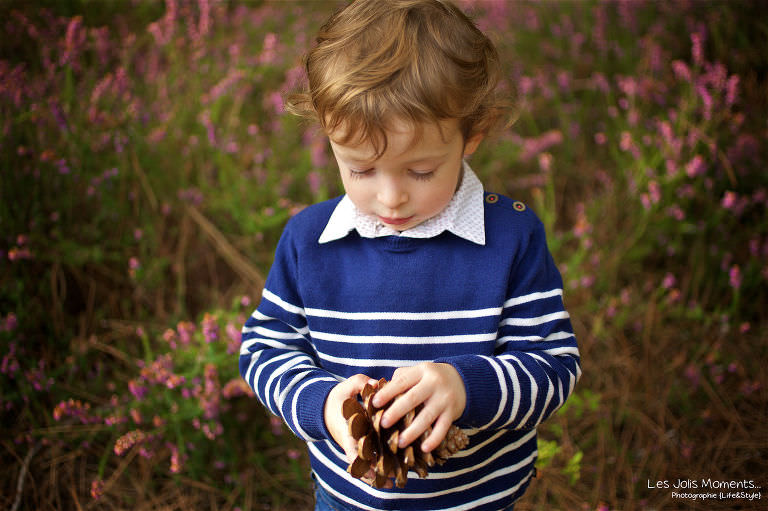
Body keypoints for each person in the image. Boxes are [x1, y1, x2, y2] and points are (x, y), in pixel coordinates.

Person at [239, 1, 581, 509]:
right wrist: (324, 403)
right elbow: (264, 349)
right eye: (360, 169)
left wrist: (467, 386)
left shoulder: (512, 235)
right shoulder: (309, 240)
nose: (392, 197)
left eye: (421, 171)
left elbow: (553, 366)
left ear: (472, 136)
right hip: (346, 497)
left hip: (480, 499)